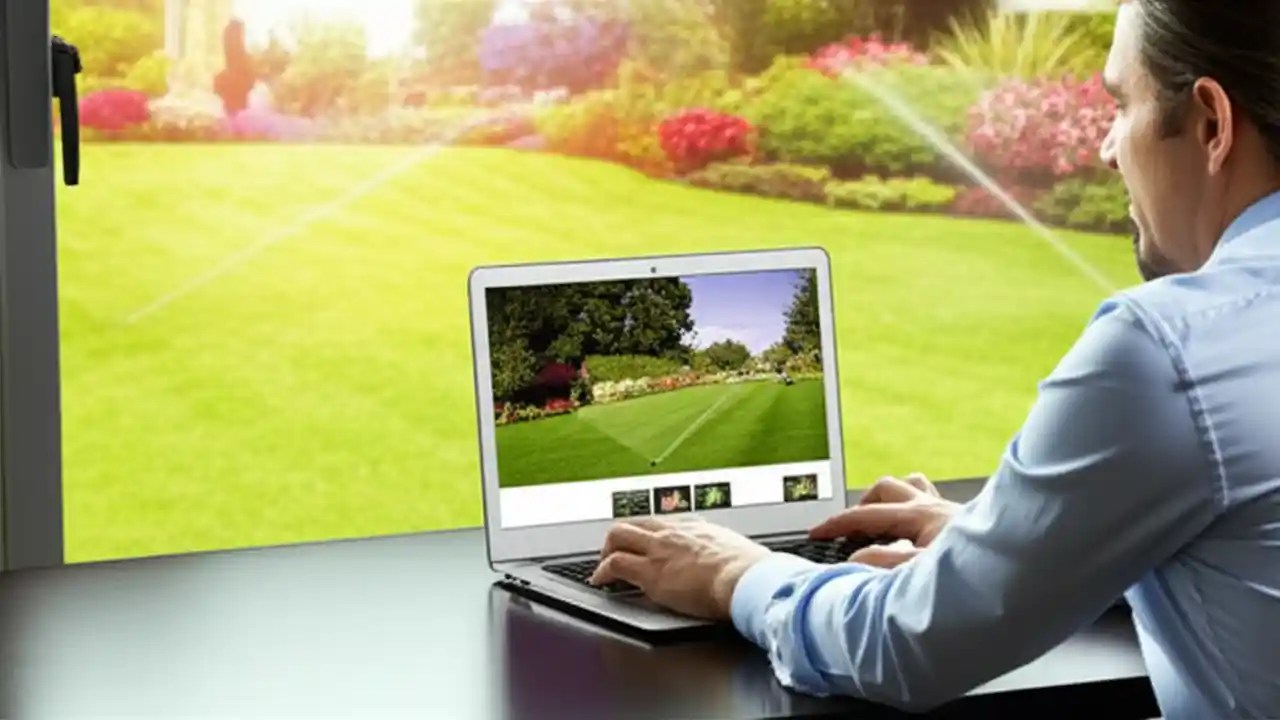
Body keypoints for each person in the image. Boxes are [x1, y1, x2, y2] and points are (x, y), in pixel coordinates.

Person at [588, 2, 1280, 716]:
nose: (1107, 149)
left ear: (1210, 124)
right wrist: (1017, 548)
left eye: (1120, 103)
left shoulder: (1171, 350)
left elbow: (903, 646)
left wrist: (739, 574)